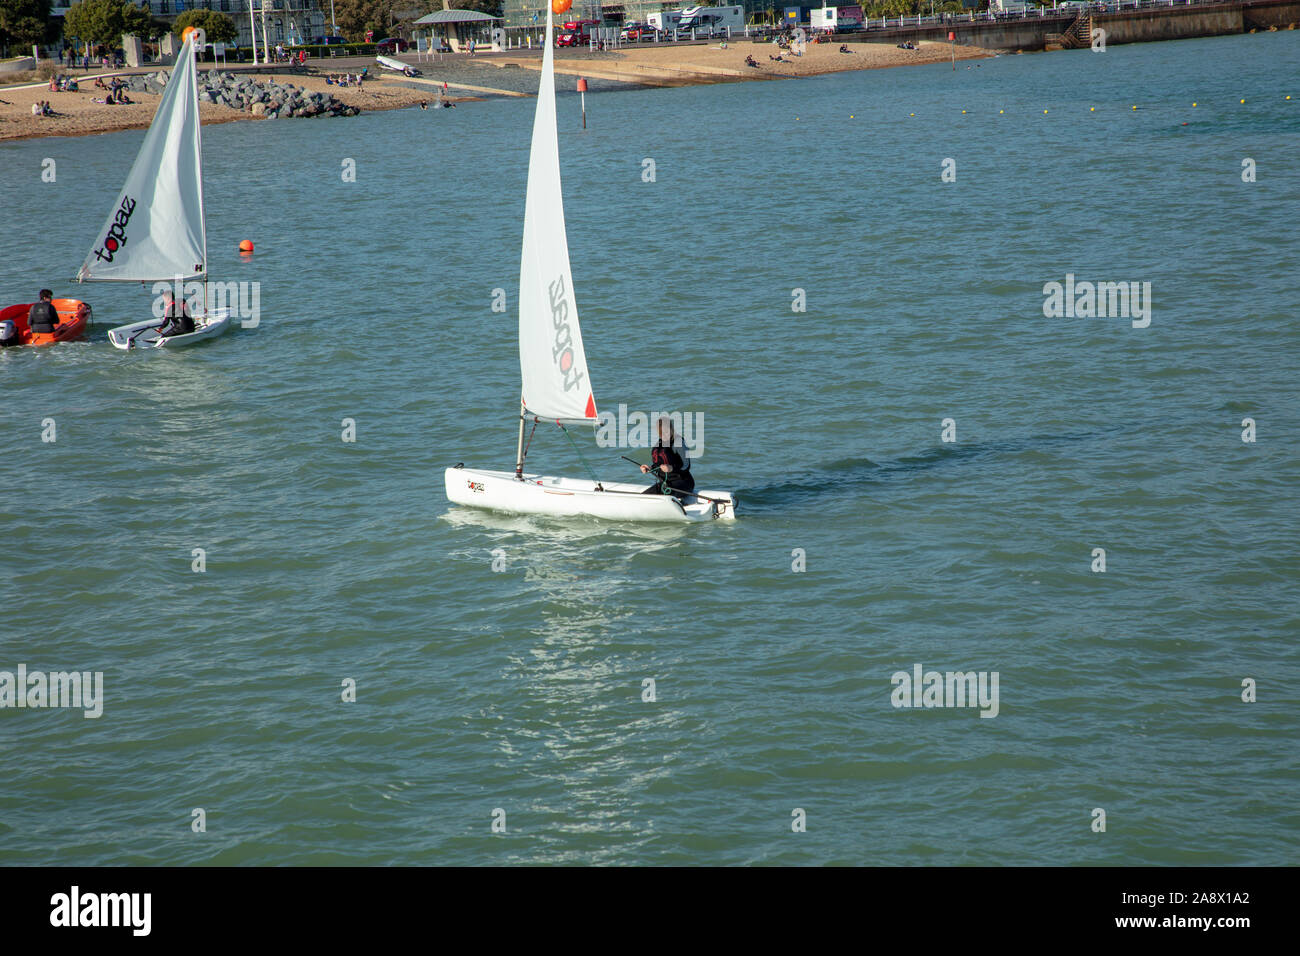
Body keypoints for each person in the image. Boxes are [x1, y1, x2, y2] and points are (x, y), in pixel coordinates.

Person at [639, 417, 696, 502]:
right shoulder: (659, 444)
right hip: (666, 484)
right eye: (662, 432)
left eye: (667, 431)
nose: (665, 434)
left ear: (671, 428)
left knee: (665, 493)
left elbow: (686, 465)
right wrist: (650, 468)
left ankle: (680, 504)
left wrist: (671, 468)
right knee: (643, 497)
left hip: (684, 483)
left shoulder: (678, 442)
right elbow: (658, 464)